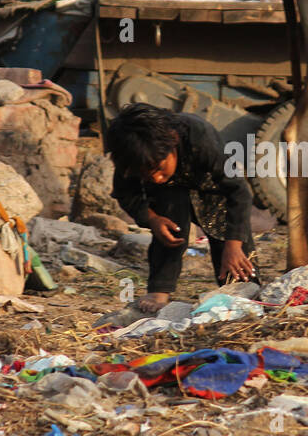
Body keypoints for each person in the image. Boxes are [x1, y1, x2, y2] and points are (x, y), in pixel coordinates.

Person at [108, 104, 257, 313]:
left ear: (173, 140)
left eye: (159, 168)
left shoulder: (199, 136)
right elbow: (125, 194)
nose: (157, 178)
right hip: (171, 194)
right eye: (146, 175)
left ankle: (242, 289)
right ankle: (159, 290)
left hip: (213, 189)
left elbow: (238, 191)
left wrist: (233, 245)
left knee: (232, 250)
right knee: (168, 228)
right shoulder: (132, 155)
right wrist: (151, 218)